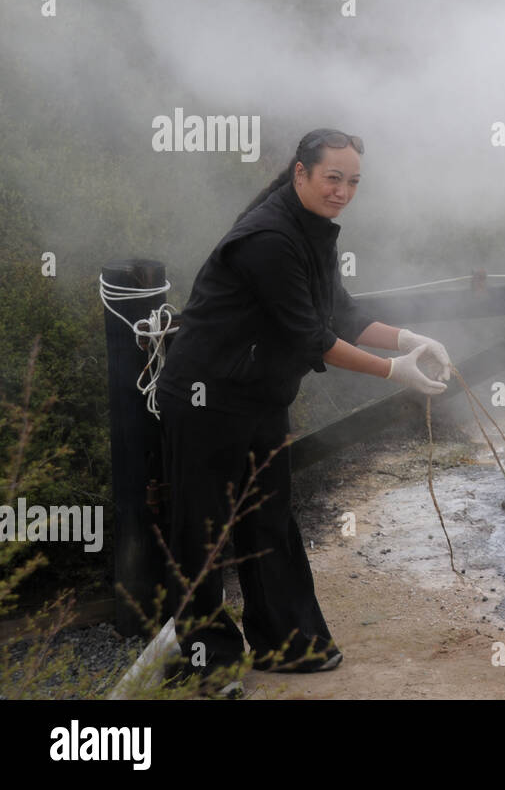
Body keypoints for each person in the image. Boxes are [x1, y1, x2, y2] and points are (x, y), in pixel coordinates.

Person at [156, 127, 450, 689]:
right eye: (332, 178)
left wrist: (408, 340)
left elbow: (339, 312)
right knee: (202, 531)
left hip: (261, 395)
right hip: (206, 397)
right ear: (301, 174)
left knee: (268, 519)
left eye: (353, 181)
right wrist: (394, 372)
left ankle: (288, 646)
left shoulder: (313, 229)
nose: (342, 191)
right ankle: (208, 663)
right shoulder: (268, 237)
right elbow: (309, 337)